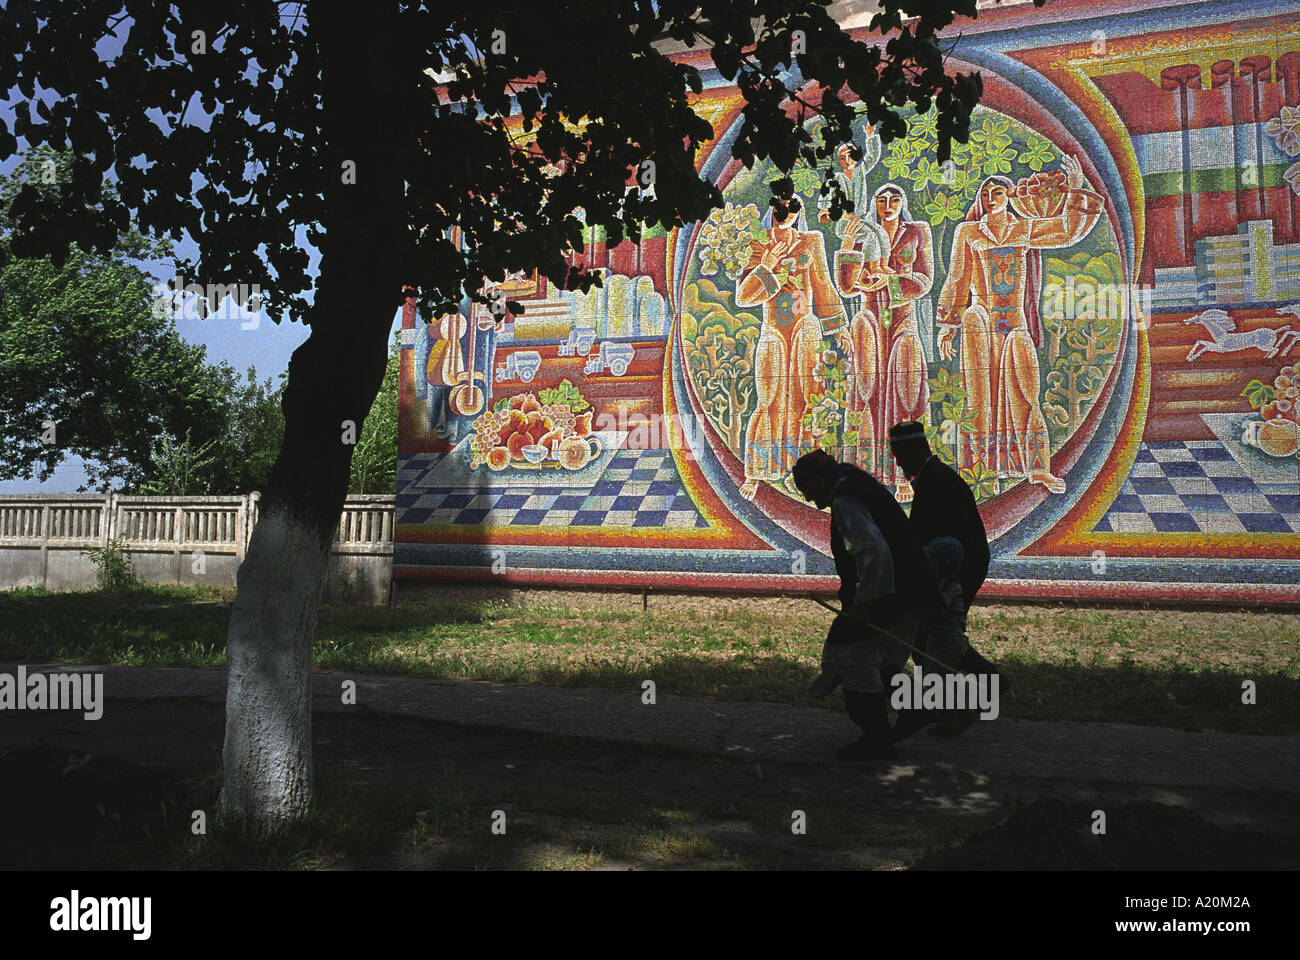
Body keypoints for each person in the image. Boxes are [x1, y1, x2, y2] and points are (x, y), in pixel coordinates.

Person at [935, 157, 1102, 493]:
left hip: (1014, 323)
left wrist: (1075, 185)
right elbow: (956, 277)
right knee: (978, 397)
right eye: (986, 194)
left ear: (1009, 196)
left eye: (998, 192)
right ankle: (980, 470)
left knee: (1026, 391)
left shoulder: (1022, 228)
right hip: (978, 322)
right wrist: (947, 324)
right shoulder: (968, 232)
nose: (991, 198)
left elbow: (1066, 230)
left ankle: (1036, 467)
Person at [792, 449, 941, 761]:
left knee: (852, 656)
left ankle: (877, 738)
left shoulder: (846, 499)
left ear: (819, 480)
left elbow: (874, 551)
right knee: (882, 658)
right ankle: (914, 710)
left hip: (891, 592)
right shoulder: (854, 481)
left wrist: (865, 604)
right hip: (911, 587)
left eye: (808, 490)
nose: (808, 499)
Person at [735, 198, 847, 501]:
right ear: (770, 211)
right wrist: (766, 265)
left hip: (805, 328)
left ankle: (813, 468)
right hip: (773, 331)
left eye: (792, 209)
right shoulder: (757, 244)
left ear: (798, 213)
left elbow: (822, 283)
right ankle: (758, 471)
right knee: (770, 396)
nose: (786, 215)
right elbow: (743, 297)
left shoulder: (810, 240)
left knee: (810, 395)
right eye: (780, 209)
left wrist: (839, 327)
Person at [888, 420, 1008, 701]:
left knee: (933, 633)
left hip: (957, 570)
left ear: (916, 449)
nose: (899, 464)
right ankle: (986, 684)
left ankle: (954, 701)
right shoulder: (933, 478)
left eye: (900, 455)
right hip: (953, 567)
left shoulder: (936, 482)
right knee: (936, 633)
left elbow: (935, 537)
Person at [833, 184, 935, 501]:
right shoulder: (864, 234)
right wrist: (849, 245)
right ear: (875, 204)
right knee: (866, 391)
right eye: (882, 200)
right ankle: (865, 473)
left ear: (902, 203)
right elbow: (848, 288)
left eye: (894, 199)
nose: (888, 204)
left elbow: (925, 279)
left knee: (906, 394)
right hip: (869, 319)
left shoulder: (917, 231)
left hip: (903, 319)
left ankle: (906, 476)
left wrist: (889, 280)